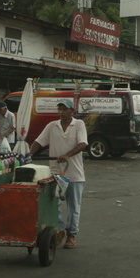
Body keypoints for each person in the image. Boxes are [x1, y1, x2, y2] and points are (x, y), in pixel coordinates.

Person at [29, 99, 88, 249]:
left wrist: (67, 155)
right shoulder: (52, 126)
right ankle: (60, 230)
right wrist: (27, 155)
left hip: (75, 174)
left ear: (72, 111)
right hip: (56, 173)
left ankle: (72, 234)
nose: (61, 112)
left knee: (73, 207)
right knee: (55, 204)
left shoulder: (78, 125)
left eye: (64, 109)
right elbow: (39, 142)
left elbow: (83, 144)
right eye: (59, 109)